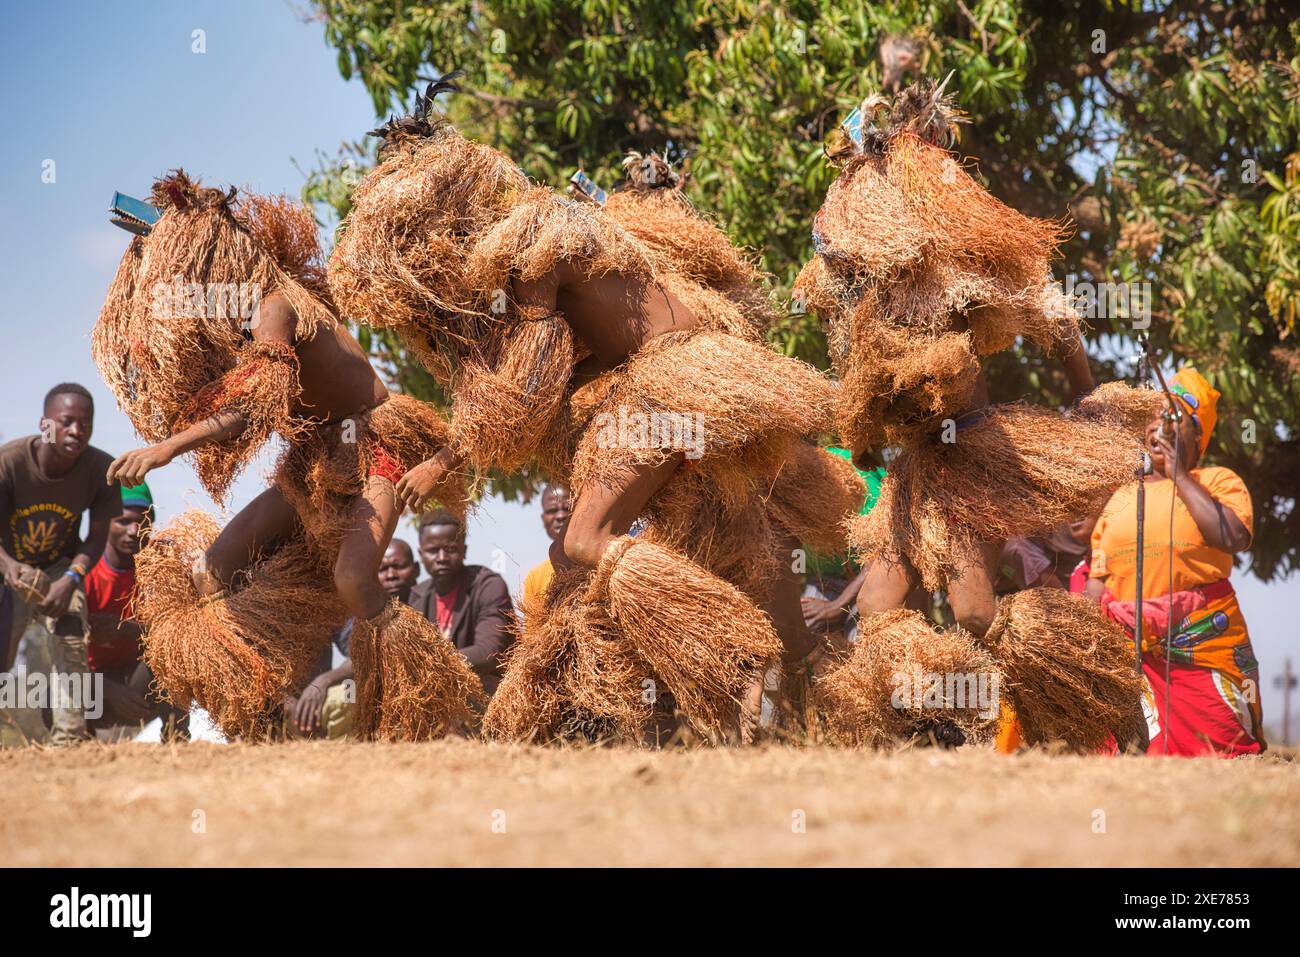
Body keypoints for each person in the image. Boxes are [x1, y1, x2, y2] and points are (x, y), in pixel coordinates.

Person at [331, 74, 857, 742]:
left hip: (671, 387)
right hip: (721, 380)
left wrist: (443, 458)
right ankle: (817, 708)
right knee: (739, 559)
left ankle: (733, 655)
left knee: (583, 542)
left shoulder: (530, 247)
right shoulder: (574, 221)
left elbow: (522, 392)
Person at [93, 173, 478, 740]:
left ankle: (424, 710)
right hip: (315, 462)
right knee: (212, 572)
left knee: (353, 578)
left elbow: (253, 406)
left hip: (375, 446)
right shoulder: (242, 320)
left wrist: (168, 448)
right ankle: (265, 717)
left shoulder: (275, 306)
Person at [1086, 368, 1264, 757]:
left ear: (1197, 436)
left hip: (1199, 646)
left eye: (1172, 420)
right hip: (1126, 655)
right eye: (1152, 419)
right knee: (1121, 755)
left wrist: (1180, 475)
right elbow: (1097, 581)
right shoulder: (1119, 497)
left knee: (1220, 751)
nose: (1158, 428)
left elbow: (1232, 537)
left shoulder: (1217, 481)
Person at [0, 383, 120, 745]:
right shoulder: (9, 464)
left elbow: (97, 537)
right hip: (7, 565)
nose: (76, 431)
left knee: (69, 637)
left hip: (58, 569)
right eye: (66, 422)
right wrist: (9, 568)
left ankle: (68, 738)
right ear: (44, 424)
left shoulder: (100, 469)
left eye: (85, 423)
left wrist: (69, 580)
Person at [81, 481, 186, 738]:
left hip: (140, 684)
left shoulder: (161, 569)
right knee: (54, 693)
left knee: (175, 648)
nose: (134, 531)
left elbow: (175, 631)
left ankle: (177, 738)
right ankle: (78, 740)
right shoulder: (83, 569)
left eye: (143, 522)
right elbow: (64, 653)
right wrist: (108, 690)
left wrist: (124, 628)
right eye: (123, 521)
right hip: (94, 687)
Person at [408, 510, 514, 695]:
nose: (441, 558)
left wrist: (428, 662)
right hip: (439, 692)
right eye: (433, 551)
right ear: (421, 554)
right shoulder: (418, 597)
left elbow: (487, 653)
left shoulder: (487, 585)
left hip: (493, 693)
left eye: (450, 549)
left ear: (463, 550)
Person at [521, 484, 571, 608]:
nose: (560, 516)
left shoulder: (597, 564)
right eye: (552, 511)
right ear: (543, 520)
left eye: (567, 508)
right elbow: (533, 627)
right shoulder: (535, 578)